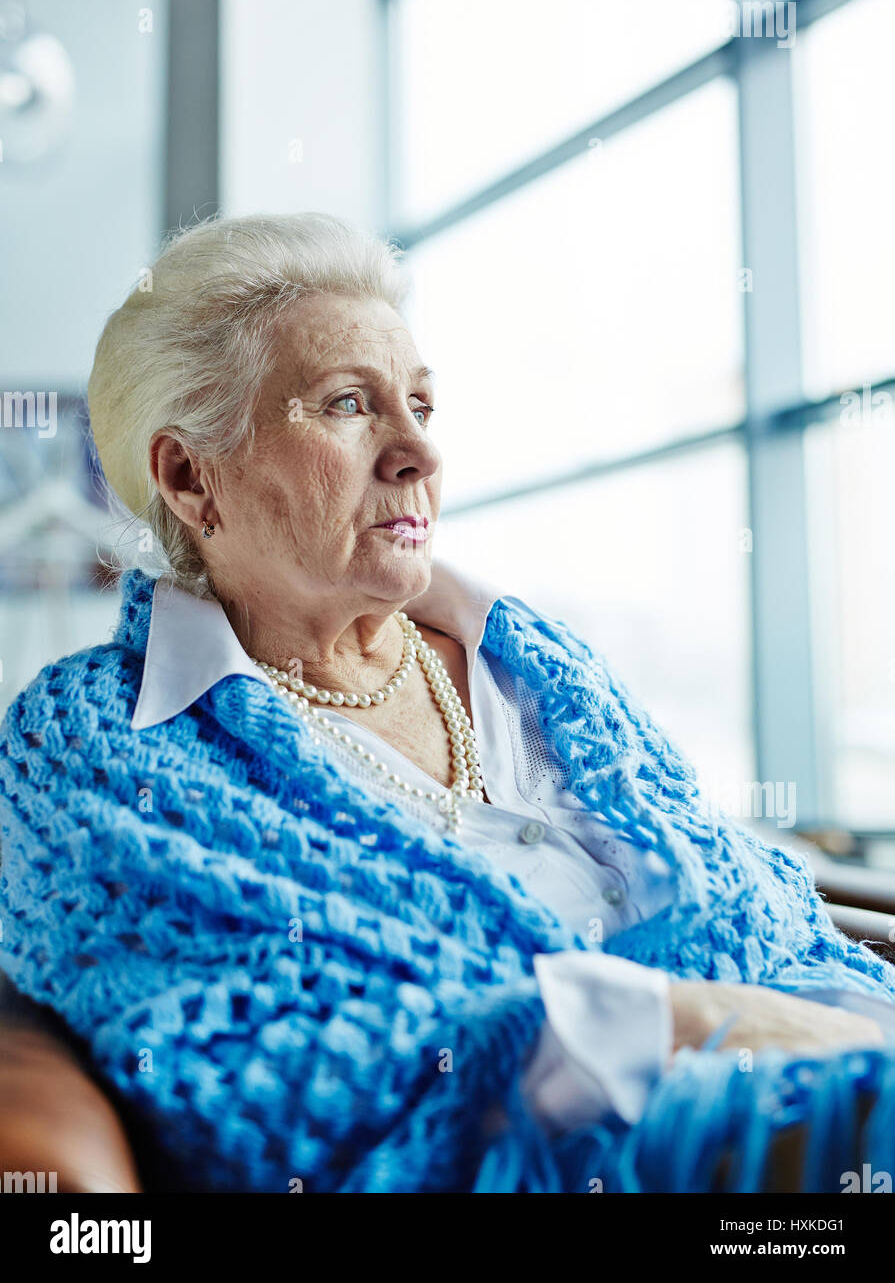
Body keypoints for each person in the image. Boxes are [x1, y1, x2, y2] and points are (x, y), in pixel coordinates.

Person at [1, 212, 893, 1194]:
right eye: (348, 403)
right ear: (189, 475)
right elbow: (246, 1061)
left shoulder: (530, 658)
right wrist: (683, 1020)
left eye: (420, 404)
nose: (417, 450)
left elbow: (755, 913)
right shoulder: (90, 738)